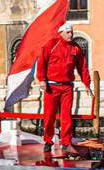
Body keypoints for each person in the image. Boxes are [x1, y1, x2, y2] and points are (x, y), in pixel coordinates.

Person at [35, 22, 90, 155]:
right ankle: (48, 141)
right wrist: (42, 79)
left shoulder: (75, 48)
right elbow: (41, 61)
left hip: (67, 87)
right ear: (61, 33)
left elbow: (82, 66)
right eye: (68, 32)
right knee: (49, 116)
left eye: (71, 32)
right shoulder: (51, 44)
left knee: (66, 116)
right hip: (51, 86)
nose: (71, 35)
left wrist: (87, 83)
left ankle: (66, 143)